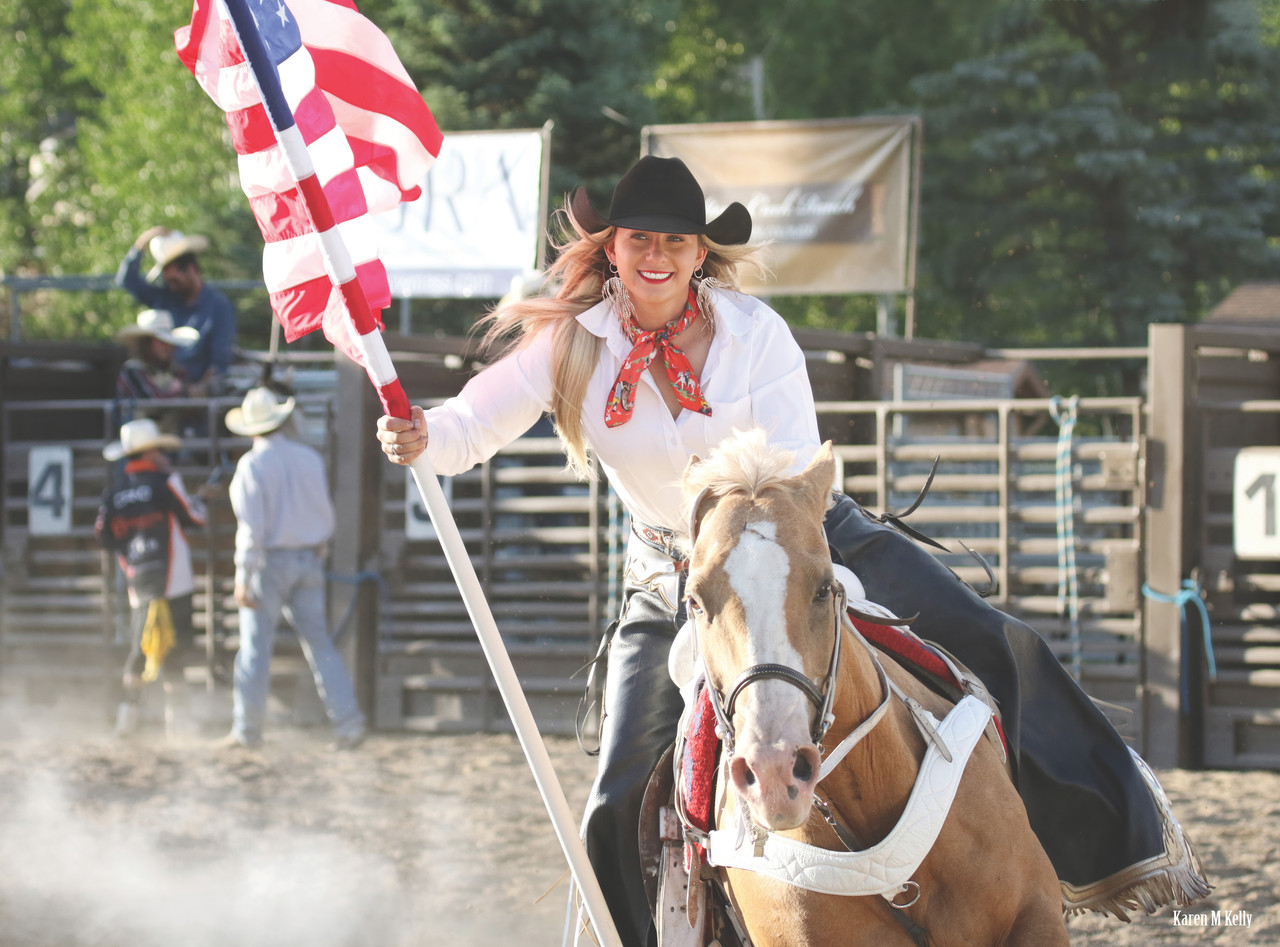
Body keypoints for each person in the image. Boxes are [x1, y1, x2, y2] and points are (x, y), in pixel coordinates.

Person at [376, 156, 1206, 946]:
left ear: (701, 253)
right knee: (613, 799)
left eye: (674, 240)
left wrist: (759, 557)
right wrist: (421, 432)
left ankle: (1087, 837)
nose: (656, 255)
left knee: (990, 637)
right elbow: (472, 421)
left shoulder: (755, 334)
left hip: (800, 533)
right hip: (673, 571)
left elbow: (786, 475)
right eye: (639, 239)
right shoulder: (571, 344)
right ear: (613, 249)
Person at [220, 387, 366, 750]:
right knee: (321, 645)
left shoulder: (252, 466)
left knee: (255, 648)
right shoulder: (309, 458)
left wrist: (243, 576)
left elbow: (251, 529)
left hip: (269, 562)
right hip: (308, 561)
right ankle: (349, 724)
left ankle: (247, 730)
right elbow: (325, 515)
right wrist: (318, 549)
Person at [95, 418, 210, 737]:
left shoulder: (114, 493)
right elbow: (194, 518)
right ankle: (179, 725)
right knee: (176, 648)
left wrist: (130, 558)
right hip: (175, 581)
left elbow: (103, 537)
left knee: (140, 649)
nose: (164, 455)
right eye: (160, 449)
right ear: (150, 452)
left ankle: (126, 721)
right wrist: (199, 499)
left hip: (140, 584)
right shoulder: (166, 482)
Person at [117, 226, 237, 395]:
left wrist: (194, 394)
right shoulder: (165, 296)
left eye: (174, 280)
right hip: (164, 388)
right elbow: (127, 281)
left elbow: (219, 361)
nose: (170, 286)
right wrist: (142, 243)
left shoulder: (219, 307)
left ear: (192, 269)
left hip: (197, 394)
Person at [115, 308, 200, 401]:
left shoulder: (174, 372)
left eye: (169, 342)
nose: (168, 347)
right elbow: (153, 401)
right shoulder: (132, 371)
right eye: (162, 342)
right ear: (146, 343)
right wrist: (185, 393)